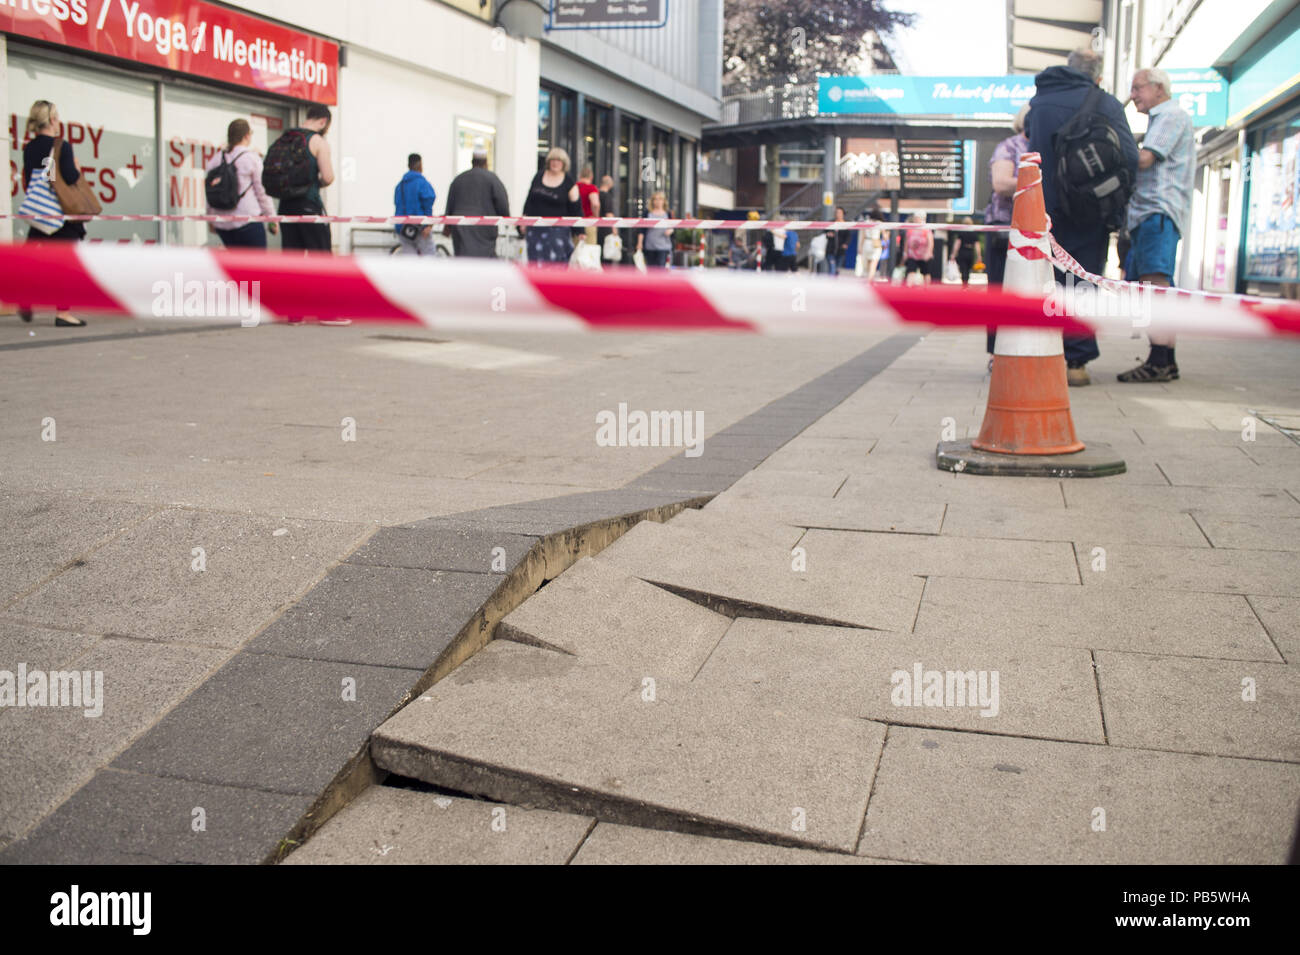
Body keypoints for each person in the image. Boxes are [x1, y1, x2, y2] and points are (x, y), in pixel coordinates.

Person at [1028, 48, 1138, 385]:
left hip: (1044, 208)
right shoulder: (1105, 103)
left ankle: (1041, 355)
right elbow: (1130, 157)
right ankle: (1075, 362)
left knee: (1042, 281)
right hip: (1089, 209)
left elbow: (1031, 152)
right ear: (1098, 75)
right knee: (1082, 281)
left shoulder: (1040, 102)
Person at [1117, 67, 1196, 383]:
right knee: (1152, 285)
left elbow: (1145, 159)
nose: (1133, 95)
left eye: (1137, 88)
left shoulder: (1170, 116)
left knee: (1155, 285)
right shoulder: (1162, 119)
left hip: (1157, 212)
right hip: (1151, 214)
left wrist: (1116, 149)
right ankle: (1165, 360)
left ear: (1159, 88)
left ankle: (1161, 361)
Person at [19, 100, 87, 326]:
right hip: (59, 214)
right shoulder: (61, 146)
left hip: (39, 212)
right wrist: (76, 168)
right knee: (65, 263)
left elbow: (30, 180)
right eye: (57, 118)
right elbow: (68, 177)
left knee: (31, 257)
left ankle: (24, 295)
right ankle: (63, 313)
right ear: (51, 120)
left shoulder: (29, 148)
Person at [984, 103, 1031, 353]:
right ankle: (996, 353)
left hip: (1035, 231)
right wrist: (1034, 181)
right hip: (1005, 228)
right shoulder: (1009, 146)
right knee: (1000, 291)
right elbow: (1001, 183)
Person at [205, 119, 277, 249]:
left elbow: (210, 191)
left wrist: (211, 218)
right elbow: (262, 192)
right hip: (248, 220)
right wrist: (272, 218)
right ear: (247, 136)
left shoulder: (215, 159)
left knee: (236, 264)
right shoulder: (251, 158)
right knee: (257, 266)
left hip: (223, 224)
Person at [277, 104, 334, 253]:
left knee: (292, 260)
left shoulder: (285, 137)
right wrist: (315, 183)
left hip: (285, 206)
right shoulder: (317, 141)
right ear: (323, 121)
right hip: (308, 205)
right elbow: (328, 177)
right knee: (321, 258)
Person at [445, 147, 510, 258]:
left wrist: (447, 226)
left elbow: (450, 205)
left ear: (472, 161)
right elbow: (502, 204)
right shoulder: (492, 179)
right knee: (484, 264)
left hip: (461, 228)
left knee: (464, 262)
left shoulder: (459, 179)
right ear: (486, 162)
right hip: (485, 229)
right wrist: (507, 219)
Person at [523, 147, 581, 264]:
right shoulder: (539, 176)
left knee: (557, 264)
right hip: (535, 229)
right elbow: (529, 200)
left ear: (564, 164)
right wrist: (523, 220)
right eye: (552, 160)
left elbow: (575, 207)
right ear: (548, 162)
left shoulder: (569, 181)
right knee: (534, 262)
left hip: (558, 232)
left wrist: (580, 230)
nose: (555, 163)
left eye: (559, 160)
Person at [392, 153, 438, 255]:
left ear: (408, 165)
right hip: (420, 227)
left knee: (410, 260)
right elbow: (428, 201)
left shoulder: (400, 185)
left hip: (403, 228)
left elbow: (397, 204)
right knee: (429, 255)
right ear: (420, 165)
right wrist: (428, 224)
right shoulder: (422, 183)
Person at [637, 191, 673, 267]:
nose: (658, 201)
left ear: (664, 201)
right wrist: (639, 243)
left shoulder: (668, 213)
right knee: (650, 270)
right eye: (655, 199)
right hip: (650, 246)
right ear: (652, 201)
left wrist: (670, 230)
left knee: (661, 269)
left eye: (660, 199)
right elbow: (642, 230)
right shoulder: (647, 213)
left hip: (663, 246)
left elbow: (672, 227)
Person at [903, 213, 933, 284]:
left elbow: (930, 242)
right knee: (911, 272)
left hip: (924, 255)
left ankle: (927, 290)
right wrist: (905, 252)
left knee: (926, 273)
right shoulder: (911, 229)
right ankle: (909, 289)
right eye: (915, 218)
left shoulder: (926, 229)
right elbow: (906, 241)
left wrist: (929, 252)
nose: (915, 219)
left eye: (916, 218)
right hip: (912, 255)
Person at [950, 216, 981, 286]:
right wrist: (979, 256)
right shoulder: (974, 233)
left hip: (962, 252)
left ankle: (964, 284)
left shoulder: (961, 232)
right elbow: (977, 245)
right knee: (968, 269)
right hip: (970, 253)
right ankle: (966, 283)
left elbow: (957, 244)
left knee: (963, 269)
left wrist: (953, 254)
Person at [576, 166, 600, 246]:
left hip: (575, 223)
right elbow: (595, 204)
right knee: (589, 252)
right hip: (589, 222)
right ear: (591, 177)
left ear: (580, 176)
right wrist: (596, 216)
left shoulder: (574, 187)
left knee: (576, 251)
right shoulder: (591, 188)